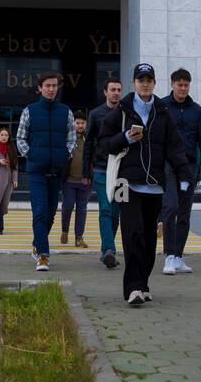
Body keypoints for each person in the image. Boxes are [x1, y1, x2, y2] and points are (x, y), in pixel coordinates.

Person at [102, 63, 193, 306]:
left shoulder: (163, 112)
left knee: (150, 239)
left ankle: (143, 283)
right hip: (125, 183)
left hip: (154, 185)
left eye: (149, 80)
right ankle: (132, 288)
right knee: (133, 234)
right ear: (134, 83)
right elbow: (104, 143)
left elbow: (174, 148)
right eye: (141, 80)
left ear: (154, 83)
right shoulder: (121, 111)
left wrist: (185, 173)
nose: (145, 84)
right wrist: (125, 138)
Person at [158, 68, 201, 275]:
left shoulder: (196, 111)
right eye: (179, 84)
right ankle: (168, 256)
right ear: (172, 84)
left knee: (184, 213)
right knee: (171, 207)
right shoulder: (163, 106)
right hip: (168, 166)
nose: (183, 88)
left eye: (186, 85)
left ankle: (178, 257)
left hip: (188, 167)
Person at [16, 72, 76, 272]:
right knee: (40, 211)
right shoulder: (30, 111)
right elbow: (20, 138)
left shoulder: (66, 111)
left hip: (56, 170)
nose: (51, 89)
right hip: (37, 171)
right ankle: (43, 255)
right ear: (40, 88)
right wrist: (31, 155)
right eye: (47, 85)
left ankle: (37, 242)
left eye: (54, 85)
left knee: (50, 214)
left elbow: (72, 138)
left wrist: (65, 155)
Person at [84, 79, 124, 268]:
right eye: (112, 90)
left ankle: (105, 251)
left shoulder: (126, 113)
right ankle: (109, 249)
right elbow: (88, 143)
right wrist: (86, 170)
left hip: (122, 171)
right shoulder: (96, 114)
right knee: (105, 209)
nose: (116, 93)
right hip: (101, 169)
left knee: (116, 212)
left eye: (119, 90)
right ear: (105, 92)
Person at [60, 113, 92, 247]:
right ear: (73, 124)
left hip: (85, 181)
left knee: (82, 209)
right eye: (77, 123)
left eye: (82, 123)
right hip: (69, 180)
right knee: (67, 206)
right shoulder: (67, 137)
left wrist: (91, 175)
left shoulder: (89, 138)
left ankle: (79, 237)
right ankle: (65, 231)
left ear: (86, 124)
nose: (80, 126)